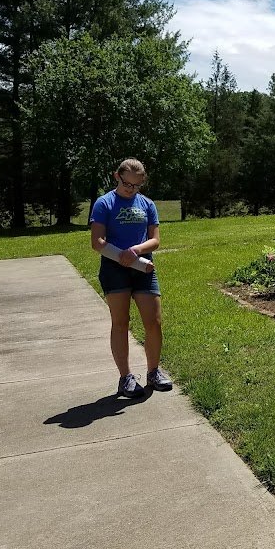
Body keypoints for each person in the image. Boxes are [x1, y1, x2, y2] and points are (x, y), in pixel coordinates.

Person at [89, 158, 173, 397]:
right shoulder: (104, 203)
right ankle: (125, 378)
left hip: (143, 267)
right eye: (127, 184)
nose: (131, 189)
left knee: (154, 322)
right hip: (114, 269)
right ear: (117, 176)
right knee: (121, 322)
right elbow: (97, 243)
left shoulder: (147, 204)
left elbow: (155, 240)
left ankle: (153, 372)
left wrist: (135, 252)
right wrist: (121, 256)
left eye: (136, 186)